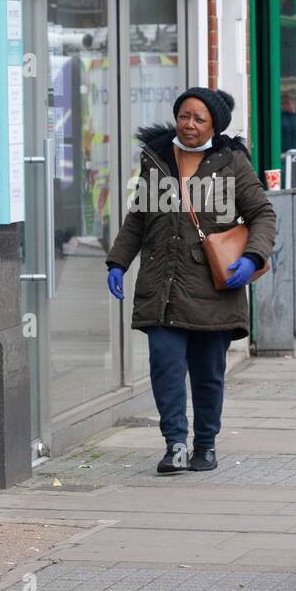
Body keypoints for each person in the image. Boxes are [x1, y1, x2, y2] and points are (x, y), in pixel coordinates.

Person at [105, 88, 276, 473]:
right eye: (185, 115)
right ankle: (175, 444)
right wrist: (118, 261)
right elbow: (139, 216)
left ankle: (206, 444)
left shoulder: (231, 161)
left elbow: (263, 213)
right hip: (162, 286)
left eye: (200, 118)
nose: (190, 124)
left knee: (207, 374)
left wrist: (253, 257)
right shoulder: (157, 159)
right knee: (165, 366)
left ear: (214, 124)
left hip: (214, 289)